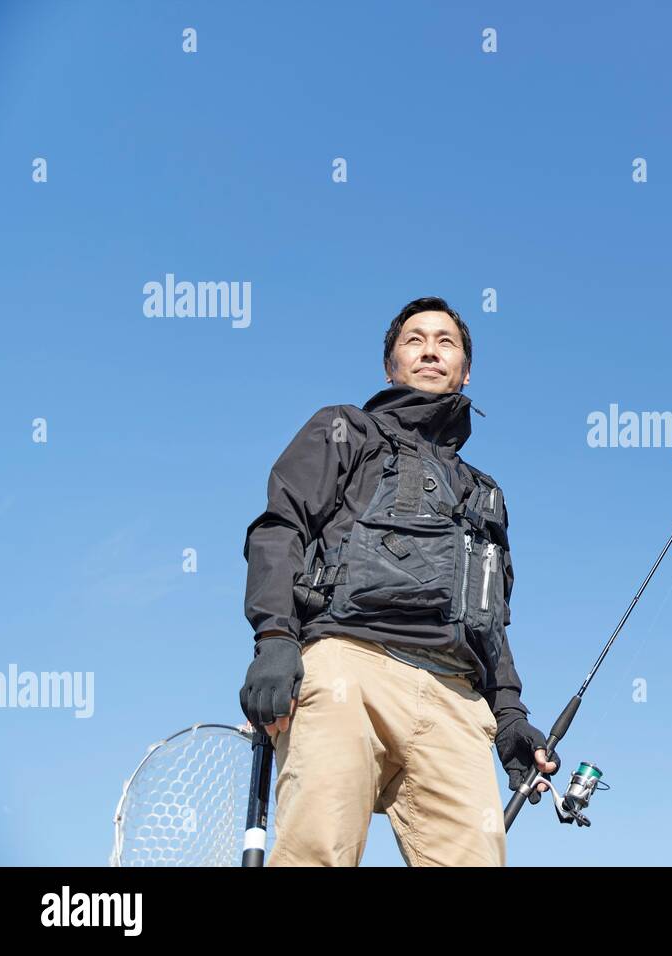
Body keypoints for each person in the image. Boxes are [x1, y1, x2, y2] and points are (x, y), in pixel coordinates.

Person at [239, 296, 559, 866]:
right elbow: (280, 527)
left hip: (457, 702)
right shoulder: (346, 428)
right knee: (318, 852)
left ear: (465, 370)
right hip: (347, 668)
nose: (430, 349)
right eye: (414, 339)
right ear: (390, 366)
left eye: (446, 341)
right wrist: (275, 638)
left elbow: (492, 618)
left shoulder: (486, 493)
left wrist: (510, 715)